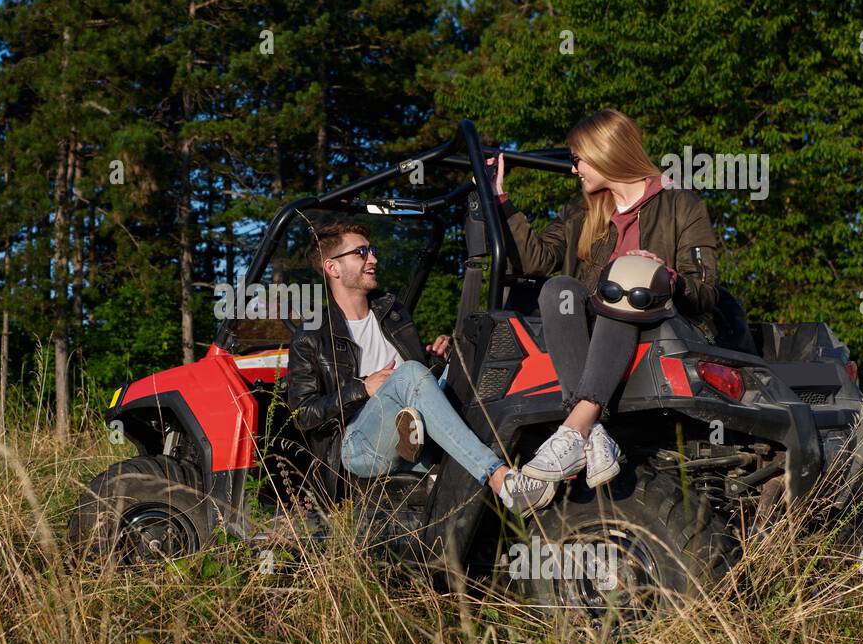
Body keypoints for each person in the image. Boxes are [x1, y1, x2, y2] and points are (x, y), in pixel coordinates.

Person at [489, 108, 722, 486]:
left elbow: (705, 291)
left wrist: (663, 276)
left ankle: (573, 429)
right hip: (598, 341)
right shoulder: (582, 213)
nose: (573, 169)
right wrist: (501, 200)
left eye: (578, 159)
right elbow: (537, 260)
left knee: (629, 275)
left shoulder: (681, 204)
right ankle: (590, 431)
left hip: (662, 329)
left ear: (604, 152)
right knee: (558, 289)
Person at [285, 220, 555, 511]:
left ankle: (542, 454)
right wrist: (363, 388)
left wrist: (441, 359)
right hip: (358, 444)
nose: (373, 258)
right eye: (361, 252)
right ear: (332, 268)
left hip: (413, 424)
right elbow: (302, 414)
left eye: (372, 250)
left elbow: (421, 377)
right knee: (408, 374)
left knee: (465, 360)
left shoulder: (393, 313)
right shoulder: (311, 336)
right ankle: (499, 477)